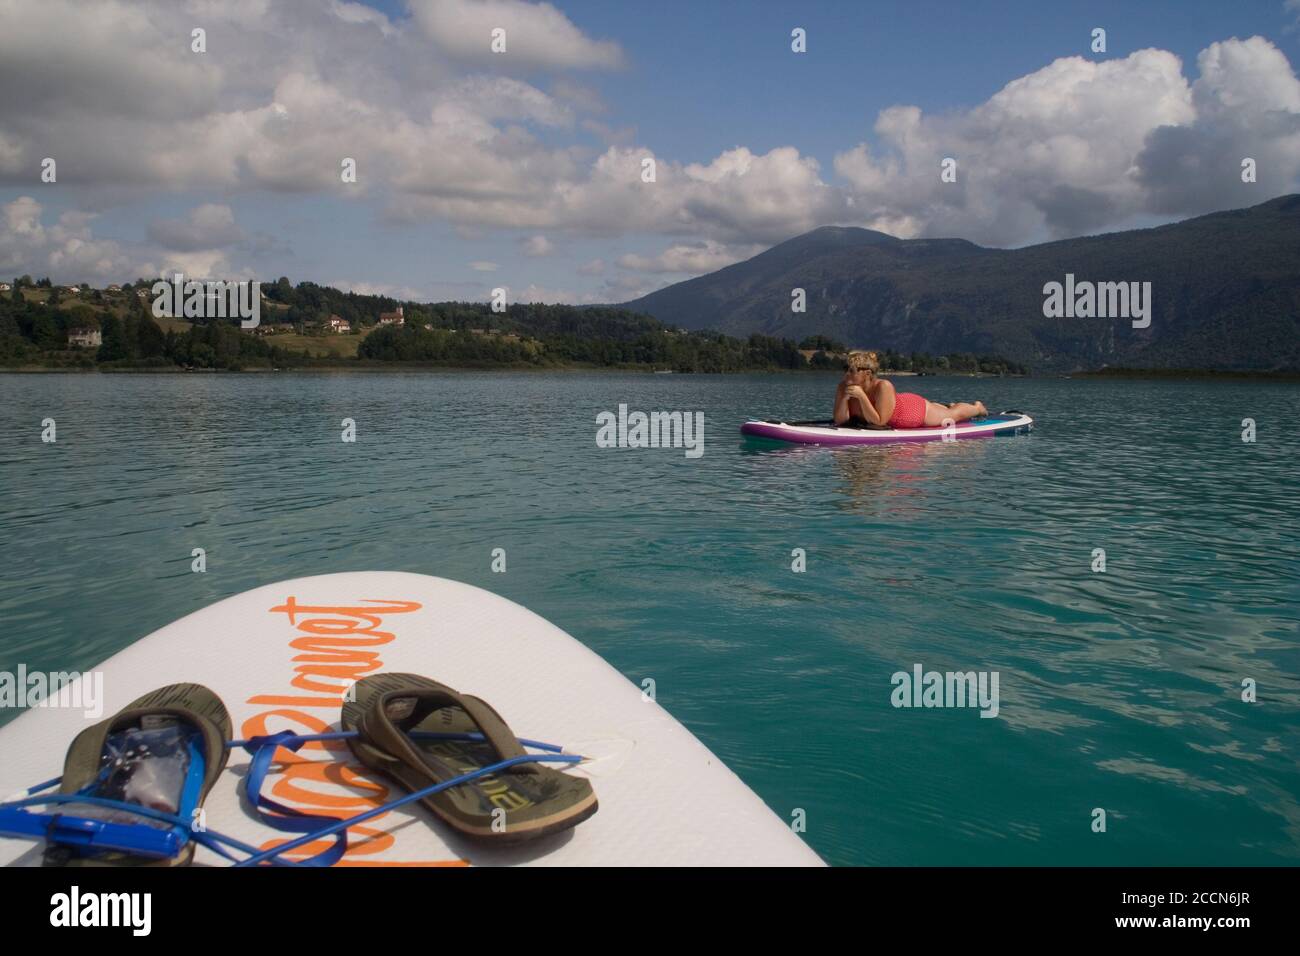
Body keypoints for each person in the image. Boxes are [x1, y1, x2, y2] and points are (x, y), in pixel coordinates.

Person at [833, 350, 987, 428]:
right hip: (899, 404)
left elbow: (879, 422)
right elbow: (840, 421)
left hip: (913, 411)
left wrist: (861, 397)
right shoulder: (843, 387)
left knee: (952, 415)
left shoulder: (883, 386)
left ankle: (977, 408)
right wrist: (845, 398)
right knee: (943, 409)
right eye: (845, 369)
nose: (846, 374)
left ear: (867, 374)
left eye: (851, 370)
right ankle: (942, 405)